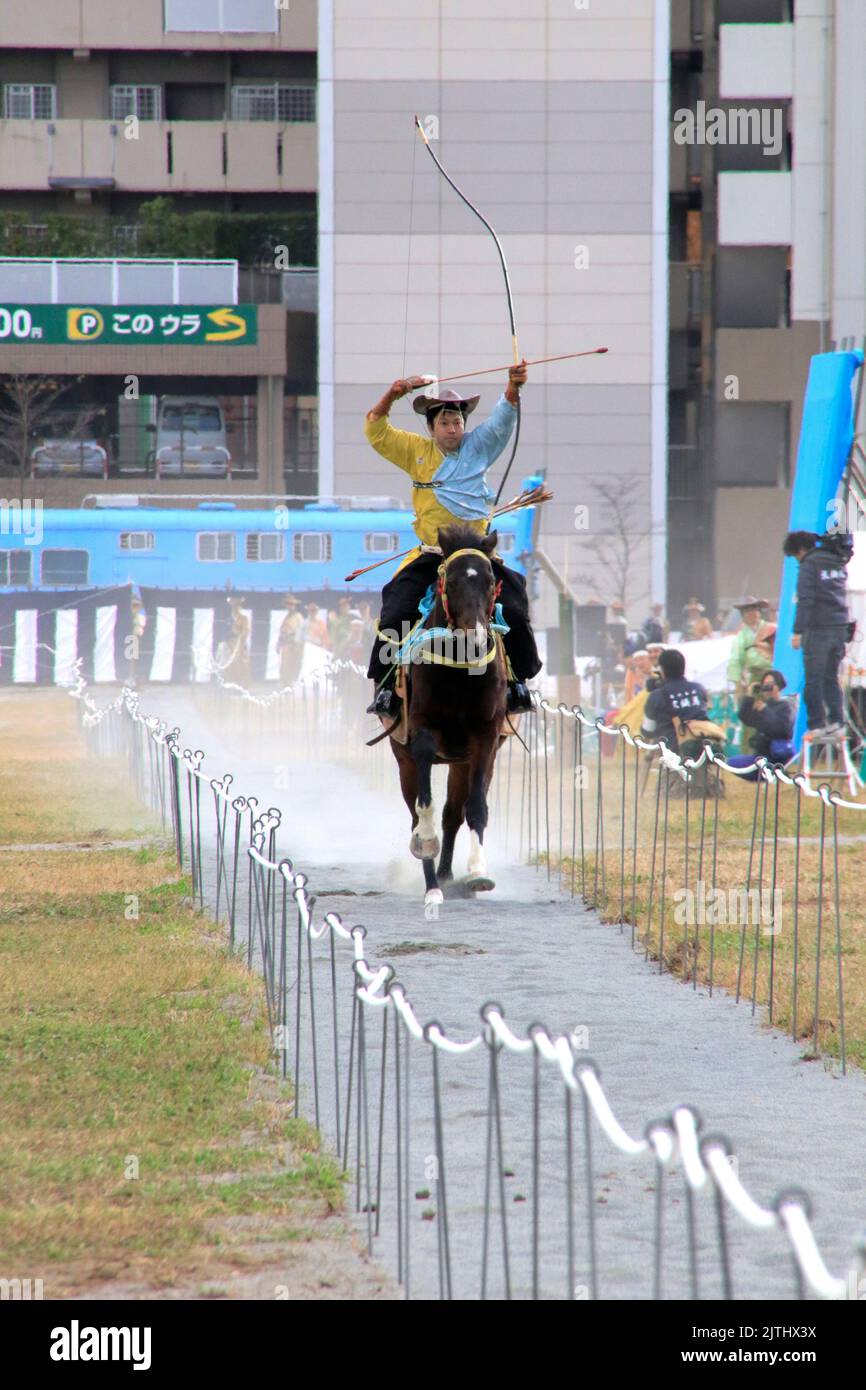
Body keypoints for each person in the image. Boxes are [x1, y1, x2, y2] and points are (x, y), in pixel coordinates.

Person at [362, 363, 541, 718]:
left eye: (457, 422)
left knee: (517, 609)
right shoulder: (416, 451)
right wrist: (393, 394)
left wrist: (512, 386)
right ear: (431, 427)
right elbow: (376, 430)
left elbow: (503, 420)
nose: (452, 428)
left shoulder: (480, 446)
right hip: (431, 555)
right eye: (444, 422)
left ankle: (518, 683)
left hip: (476, 557)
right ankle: (385, 689)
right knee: (396, 612)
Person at [783, 529, 854, 736]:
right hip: (840, 627)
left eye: (796, 556)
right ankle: (837, 722)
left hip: (818, 629)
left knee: (813, 679)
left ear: (800, 549)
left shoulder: (810, 564)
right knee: (831, 677)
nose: (797, 560)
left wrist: (797, 631)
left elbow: (806, 600)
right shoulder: (837, 561)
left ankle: (817, 724)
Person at [735, 669, 795, 765]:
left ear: (778, 685)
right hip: (761, 754)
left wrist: (765, 710)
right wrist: (749, 695)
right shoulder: (765, 705)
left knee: (738, 763)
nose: (768, 687)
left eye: (771, 684)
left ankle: (770, 772)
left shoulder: (786, 705)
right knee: (732, 762)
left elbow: (782, 729)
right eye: (765, 684)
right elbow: (745, 717)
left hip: (777, 753)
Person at [726, 596, 771, 694]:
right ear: (743, 615)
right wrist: (737, 682)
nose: (751, 613)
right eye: (747, 611)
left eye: (754, 609)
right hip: (754, 677)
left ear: (759, 612)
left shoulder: (772, 630)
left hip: (773, 674)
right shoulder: (741, 637)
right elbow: (735, 660)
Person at [275, 593, 304, 685]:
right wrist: (278, 644)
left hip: (293, 646)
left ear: (294, 606)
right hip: (285, 646)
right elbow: (282, 631)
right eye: (288, 604)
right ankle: (285, 684)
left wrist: (296, 645)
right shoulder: (286, 617)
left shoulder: (298, 617)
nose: (289, 606)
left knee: (292, 667)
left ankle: (291, 685)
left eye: (291, 604)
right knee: (284, 667)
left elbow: (301, 632)